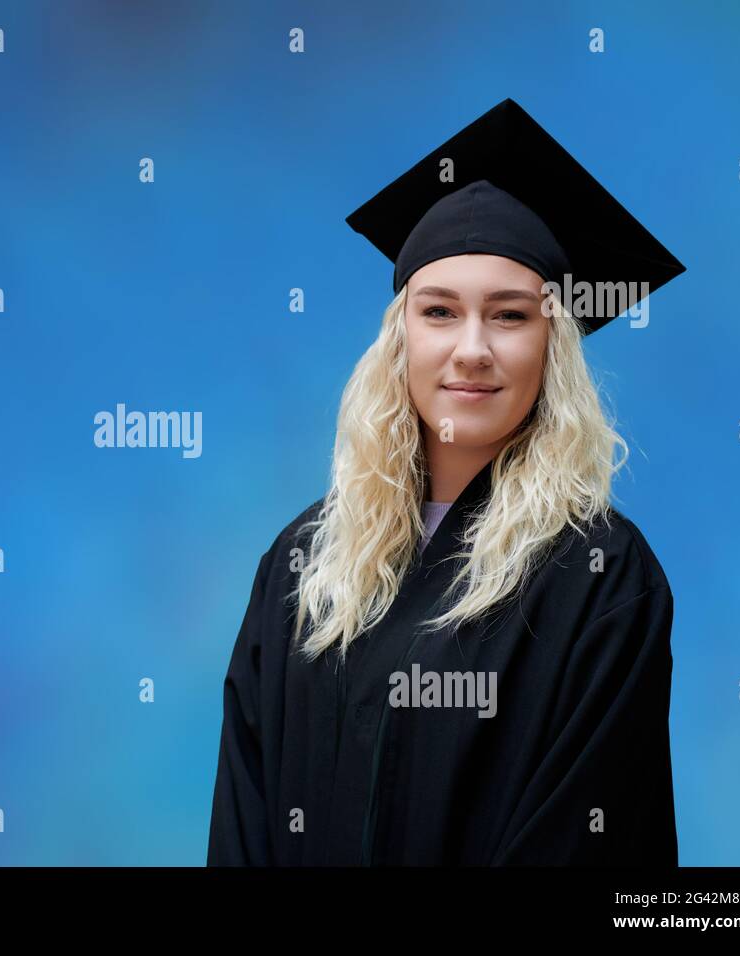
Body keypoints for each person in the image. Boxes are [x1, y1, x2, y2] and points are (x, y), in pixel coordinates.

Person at [207, 99, 686, 866]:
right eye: (439, 312)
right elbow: (244, 818)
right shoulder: (304, 564)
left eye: (509, 316)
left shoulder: (600, 576)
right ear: (399, 342)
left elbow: (586, 844)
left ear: (551, 348)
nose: (472, 349)